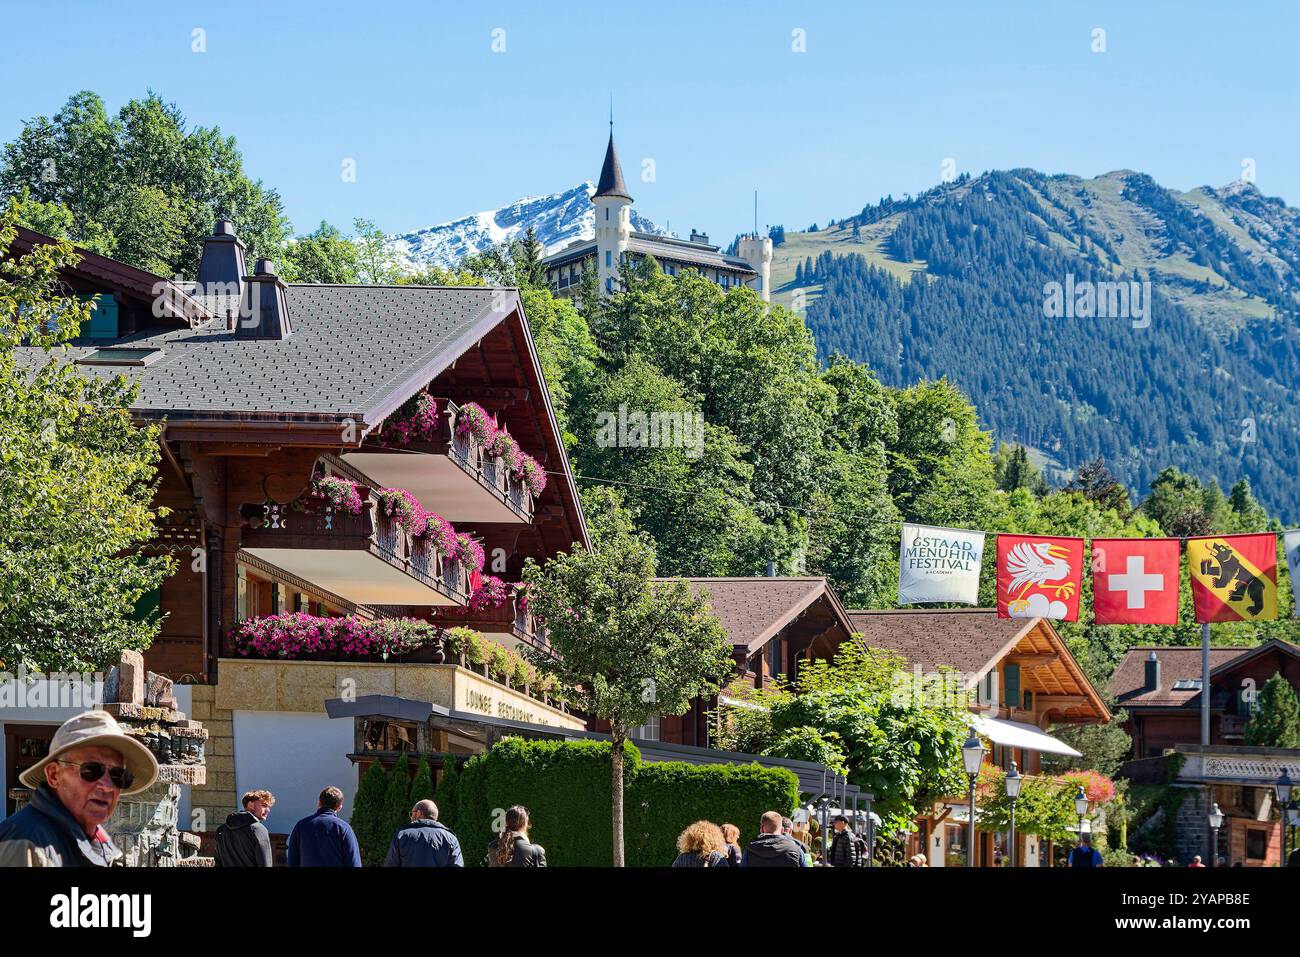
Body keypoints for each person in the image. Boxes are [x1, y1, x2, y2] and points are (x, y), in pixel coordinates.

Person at [0, 710, 158, 867]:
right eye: (92, 770)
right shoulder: (25, 843)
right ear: (54, 775)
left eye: (118, 775)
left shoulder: (94, 842)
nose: (108, 786)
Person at [287, 786, 361, 867]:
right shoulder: (344, 828)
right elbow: (353, 863)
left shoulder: (301, 826)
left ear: (319, 802)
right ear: (339, 807)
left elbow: (292, 861)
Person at [383, 800, 463, 867]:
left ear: (418, 813)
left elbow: (390, 864)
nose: (411, 817)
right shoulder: (451, 838)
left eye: (411, 814)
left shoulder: (402, 835)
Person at [215, 789, 275, 867]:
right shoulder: (258, 830)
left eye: (269, 807)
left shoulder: (221, 830)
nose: (268, 810)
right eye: (264, 805)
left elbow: (218, 863)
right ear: (250, 805)